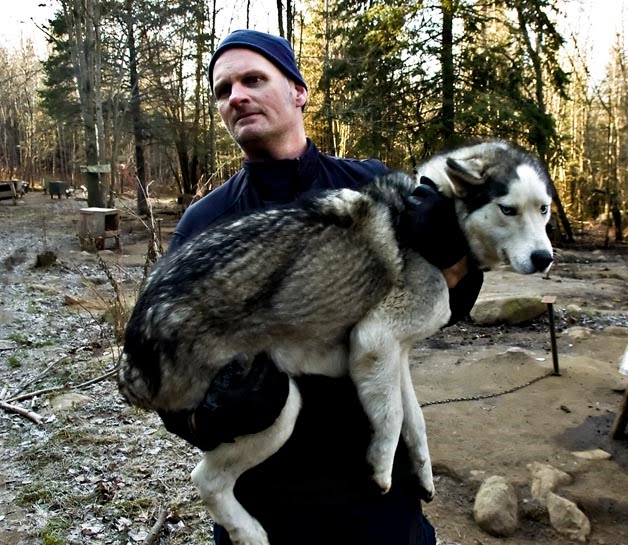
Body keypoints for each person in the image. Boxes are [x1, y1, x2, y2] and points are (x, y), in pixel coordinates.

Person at [158, 29, 483, 545]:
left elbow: (449, 300)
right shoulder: (204, 224)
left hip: (377, 497)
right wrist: (203, 415)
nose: (236, 96)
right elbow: (165, 367)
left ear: (298, 92)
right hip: (267, 505)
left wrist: (455, 258)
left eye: (253, 80)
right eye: (223, 90)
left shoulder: (373, 185)